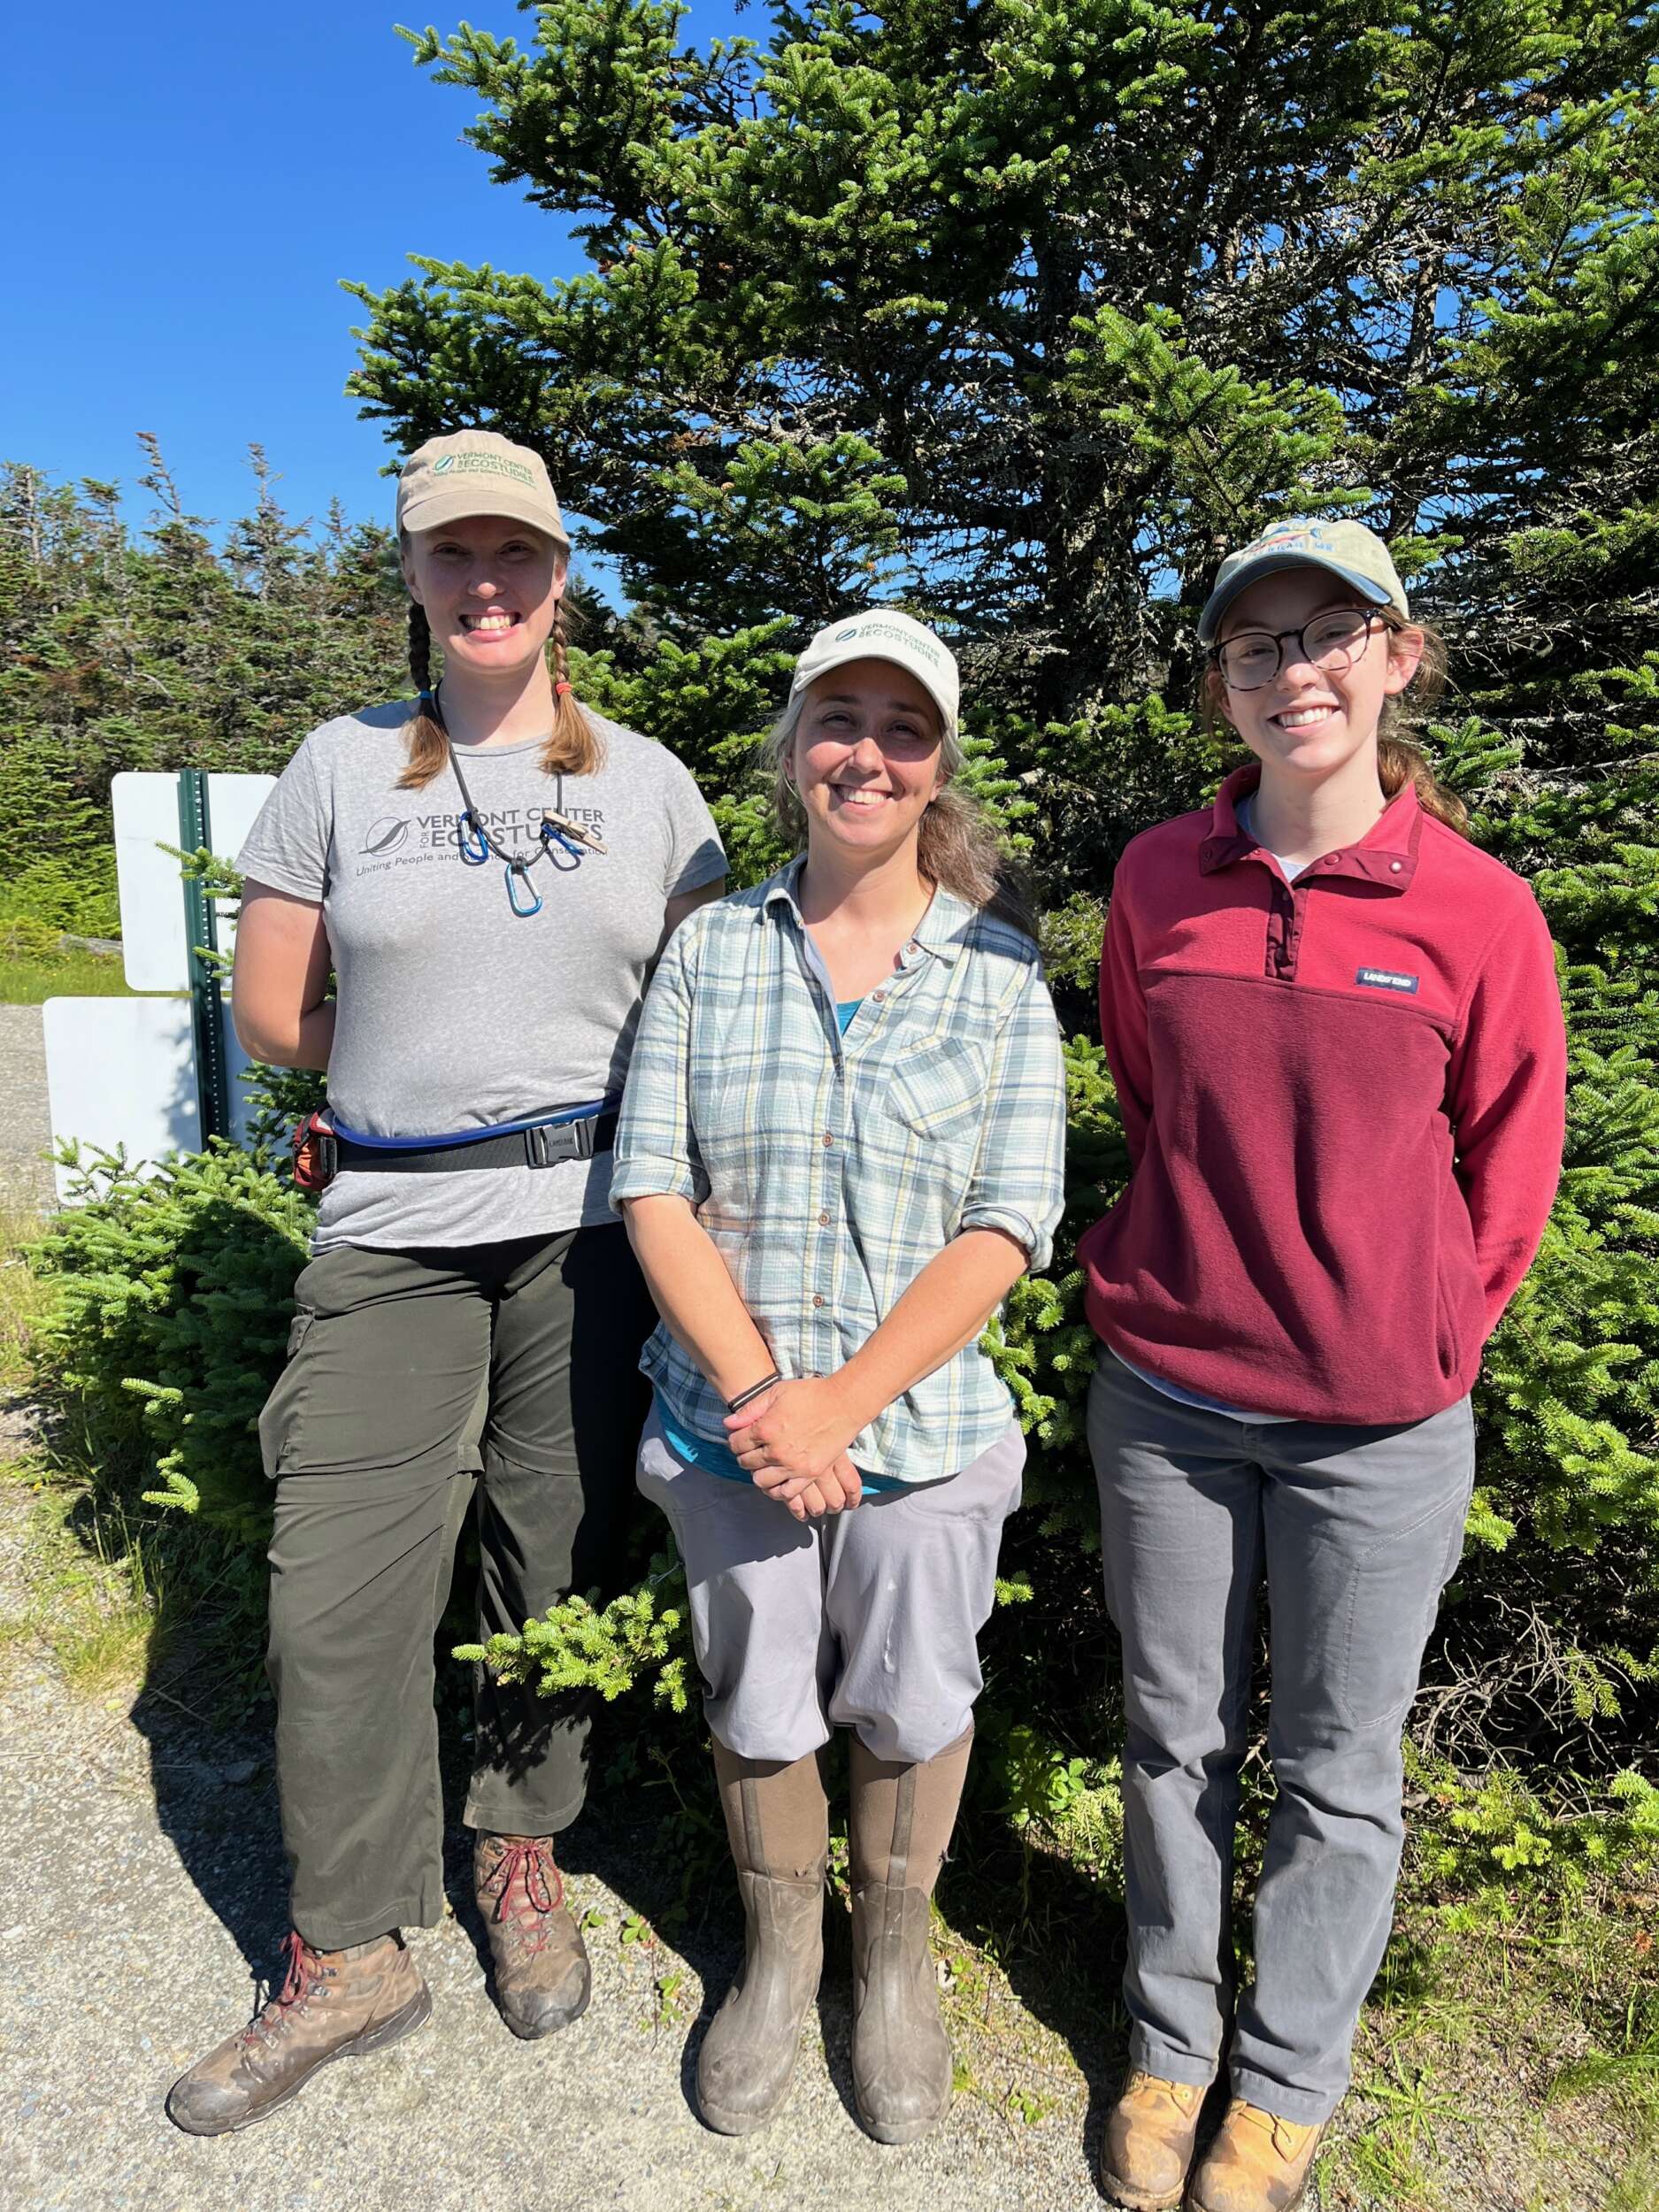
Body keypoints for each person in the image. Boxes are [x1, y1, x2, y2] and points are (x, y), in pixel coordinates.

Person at [166, 429, 726, 2135]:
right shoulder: (335, 769)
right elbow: (277, 1012)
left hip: (589, 1241)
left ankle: (520, 1848)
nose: (488, 584)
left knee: (546, 1555)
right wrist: (408, 1078)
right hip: (390, 1242)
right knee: (334, 1581)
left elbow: (710, 1012)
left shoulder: (650, 786)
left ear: (563, 576)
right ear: (411, 575)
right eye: (452, 556)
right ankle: (349, 1949)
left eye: (518, 557)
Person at [1083, 518, 1567, 2212]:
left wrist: (1424, 1335)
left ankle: (1283, 2086)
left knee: (1344, 1769)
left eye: (1327, 635)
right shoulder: (1159, 882)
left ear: (1396, 657)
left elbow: (1512, 1165)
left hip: (1382, 1428)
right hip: (1168, 1401)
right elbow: (1150, 1099)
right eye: (1255, 645)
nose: (1293, 670)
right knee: (1174, 1740)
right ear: (1222, 681)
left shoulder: (1481, 912)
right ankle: (1168, 2045)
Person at [611, 608, 1066, 2146]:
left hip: (924, 1439)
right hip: (725, 1425)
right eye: (836, 720)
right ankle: (778, 1952)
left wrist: (843, 1405)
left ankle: (891, 1956)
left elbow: (1009, 1225)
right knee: (757, 1691)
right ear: (793, 744)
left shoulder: (1001, 978)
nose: (864, 754)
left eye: (903, 729)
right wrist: (767, 1404)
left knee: (915, 1694)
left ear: (940, 765)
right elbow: (653, 1189)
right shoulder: (712, 950)